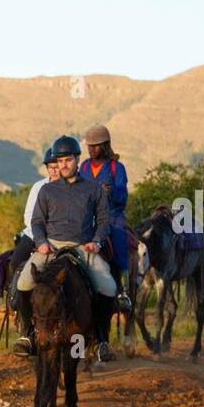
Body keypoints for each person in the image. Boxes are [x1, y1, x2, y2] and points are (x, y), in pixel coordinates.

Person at [17, 135, 119, 362]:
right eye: (60, 161)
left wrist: (97, 241)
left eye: (68, 160)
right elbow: (37, 221)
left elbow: (103, 220)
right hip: (51, 246)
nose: (63, 165)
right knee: (23, 282)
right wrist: (42, 242)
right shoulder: (46, 190)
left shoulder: (93, 189)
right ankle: (27, 335)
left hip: (83, 246)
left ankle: (102, 340)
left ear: (77, 160)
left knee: (108, 287)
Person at [11, 148, 59, 356]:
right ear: (47, 168)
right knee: (15, 262)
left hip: (60, 236)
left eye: (57, 166)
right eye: (51, 167)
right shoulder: (39, 187)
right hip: (34, 233)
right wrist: (41, 237)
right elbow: (29, 215)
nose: (54, 170)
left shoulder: (72, 187)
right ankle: (24, 324)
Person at [78, 124, 132, 312]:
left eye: (96, 146)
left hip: (112, 216)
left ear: (106, 145)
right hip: (87, 217)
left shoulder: (117, 168)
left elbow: (123, 198)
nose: (92, 149)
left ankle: (123, 291)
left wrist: (110, 194)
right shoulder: (83, 166)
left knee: (118, 243)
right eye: (89, 146)